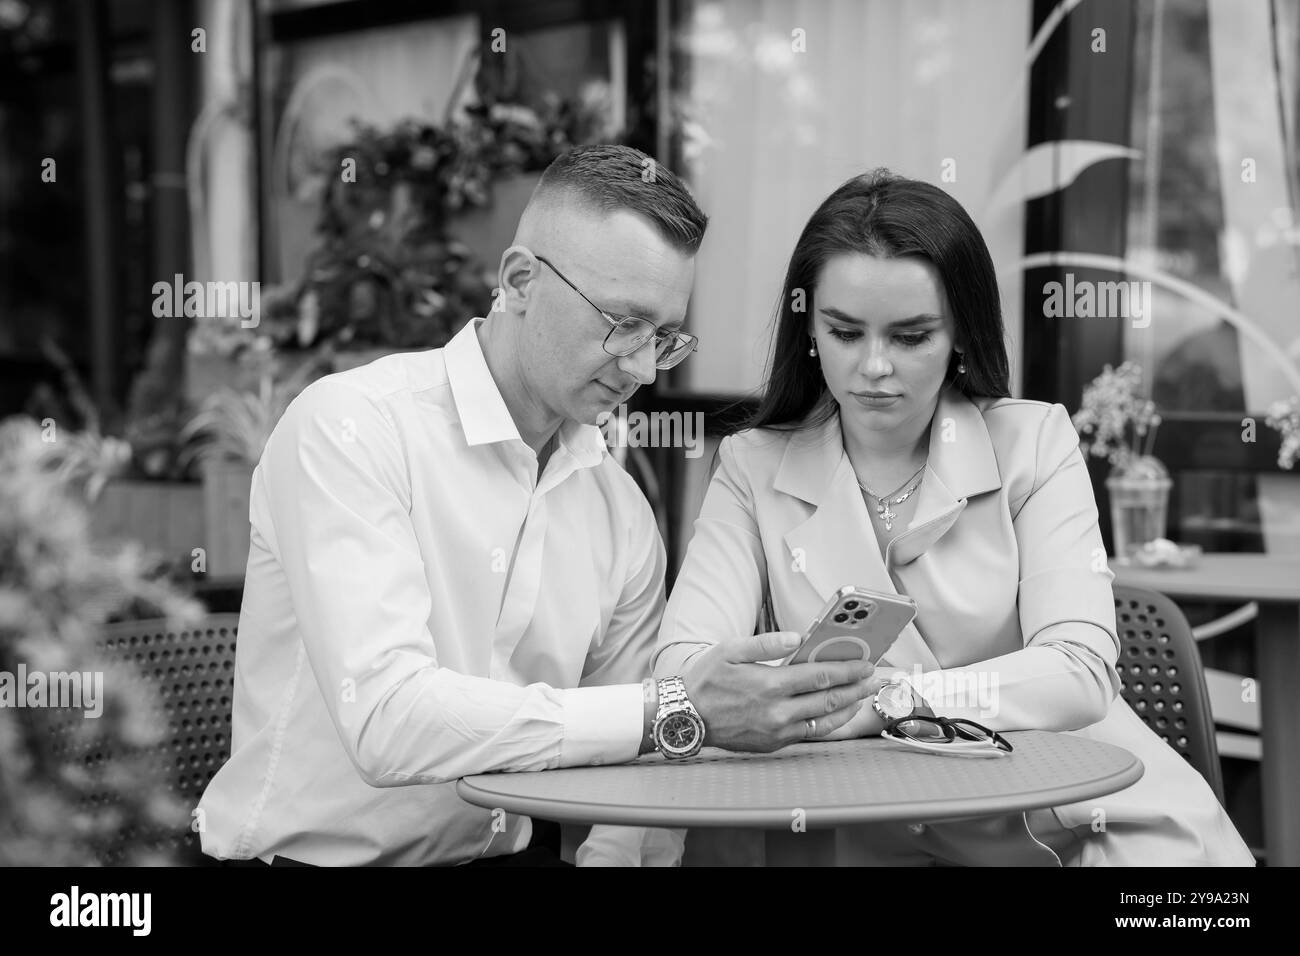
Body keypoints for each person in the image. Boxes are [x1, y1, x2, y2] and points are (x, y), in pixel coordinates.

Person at [198, 144, 875, 867]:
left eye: (666, 338)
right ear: (520, 279)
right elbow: (388, 722)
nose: (643, 369)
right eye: (621, 323)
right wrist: (670, 708)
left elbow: (635, 771)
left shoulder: (619, 510)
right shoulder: (352, 430)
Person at [653, 168, 1255, 866]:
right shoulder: (753, 466)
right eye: (845, 331)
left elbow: (1081, 670)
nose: (874, 366)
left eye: (911, 337)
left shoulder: (1033, 444)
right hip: (868, 832)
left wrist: (892, 700)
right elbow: (684, 674)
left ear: (960, 337)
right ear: (809, 329)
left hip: (1086, 823)